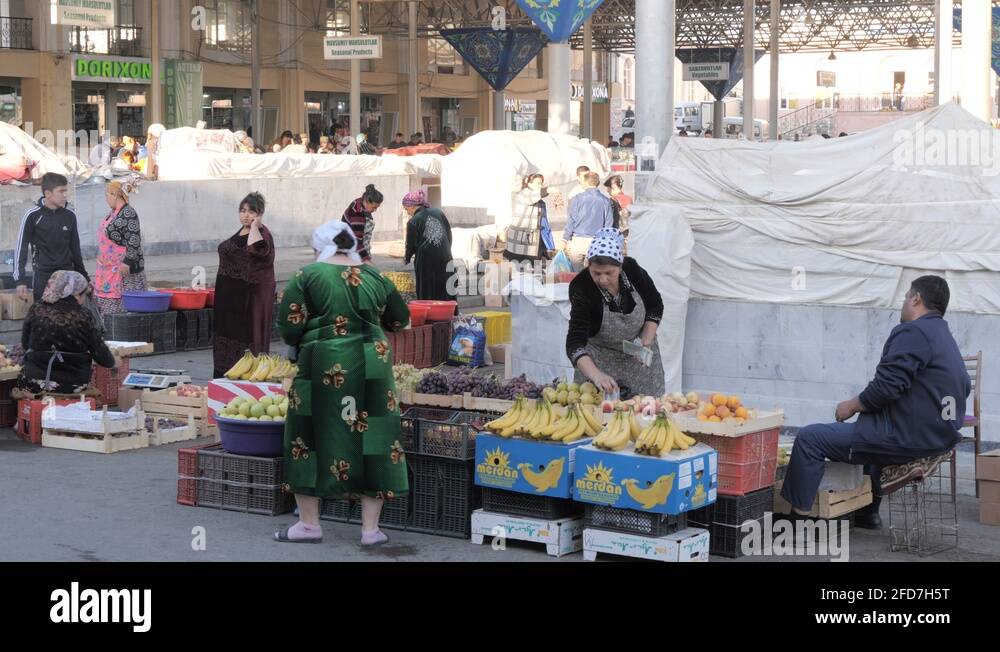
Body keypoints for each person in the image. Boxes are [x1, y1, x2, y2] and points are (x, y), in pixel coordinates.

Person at [779, 276, 970, 530]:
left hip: (907, 439)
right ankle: (868, 514)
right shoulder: (944, 336)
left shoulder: (914, 331)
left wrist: (852, 405)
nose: (903, 302)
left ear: (916, 299)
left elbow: (886, 387)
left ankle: (797, 524)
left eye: (905, 297)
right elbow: (965, 386)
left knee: (810, 438)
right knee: (869, 438)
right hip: (938, 437)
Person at [273, 222, 410, 546]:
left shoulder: (307, 277)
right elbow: (399, 319)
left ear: (321, 248)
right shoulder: (377, 276)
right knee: (375, 436)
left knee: (307, 436)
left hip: (322, 362)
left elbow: (289, 329)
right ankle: (370, 530)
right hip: (371, 363)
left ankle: (309, 525)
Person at [565, 228, 663, 397]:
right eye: (596, 273)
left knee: (645, 414)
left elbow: (655, 305)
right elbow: (574, 343)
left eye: (609, 273)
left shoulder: (632, 270)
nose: (603, 279)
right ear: (588, 267)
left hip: (639, 365)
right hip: (600, 363)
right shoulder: (581, 287)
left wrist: (646, 340)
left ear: (620, 266)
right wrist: (596, 375)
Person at [18, 271, 116, 396]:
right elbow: (101, 355)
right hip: (73, 384)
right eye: (84, 295)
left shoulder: (37, 308)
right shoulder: (83, 315)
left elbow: (25, 344)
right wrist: (113, 361)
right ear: (76, 295)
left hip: (35, 383)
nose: (84, 299)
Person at [212, 192, 276, 379]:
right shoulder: (241, 230)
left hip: (248, 299)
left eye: (251, 211)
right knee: (225, 340)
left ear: (260, 213)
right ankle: (222, 378)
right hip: (229, 298)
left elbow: (257, 250)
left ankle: (244, 379)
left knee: (245, 341)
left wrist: (257, 225)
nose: (245, 215)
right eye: (242, 210)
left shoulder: (262, 234)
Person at [14, 173, 90, 302]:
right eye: (61, 191)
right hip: (43, 276)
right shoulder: (32, 215)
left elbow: (76, 250)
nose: (65, 195)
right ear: (48, 193)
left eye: (66, 191)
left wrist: (85, 278)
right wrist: (20, 280)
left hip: (67, 277)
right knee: (44, 319)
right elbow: (21, 248)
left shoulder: (70, 215)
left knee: (68, 319)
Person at [94, 181, 146, 315]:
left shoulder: (128, 213)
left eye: (107, 195)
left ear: (115, 195)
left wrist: (127, 262)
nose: (106, 198)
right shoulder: (113, 213)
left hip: (122, 270)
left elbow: (134, 240)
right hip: (107, 270)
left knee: (123, 308)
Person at [402, 190, 454, 301]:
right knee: (446, 287)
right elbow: (448, 234)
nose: (407, 212)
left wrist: (406, 258)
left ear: (411, 206)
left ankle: (431, 314)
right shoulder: (438, 212)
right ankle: (449, 313)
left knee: (428, 289)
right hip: (445, 257)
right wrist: (446, 249)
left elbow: (411, 244)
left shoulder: (414, 221)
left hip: (426, 260)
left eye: (406, 209)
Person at [563, 172, 615, 270]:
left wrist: (565, 239)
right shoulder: (606, 201)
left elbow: (571, 220)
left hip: (577, 240)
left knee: (576, 274)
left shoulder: (577, 199)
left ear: (585, 183)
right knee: (592, 274)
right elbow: (608, 225)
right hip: (596, 242)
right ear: (598, 182)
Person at [504, 173, 556, 263]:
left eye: (541, 183)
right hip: (521, 237)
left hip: (533, 236)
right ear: (529, 184)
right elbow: (531, 198)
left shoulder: (537, 197)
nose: (540, 186)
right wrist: (548, 189)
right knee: (520, 264)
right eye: (538, 183)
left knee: (534, 264)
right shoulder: (525, 193)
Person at [342, 184, 383, 263]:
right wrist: (366, 259)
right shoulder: (357, 214)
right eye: (374, 207)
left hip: (357, 246)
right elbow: (357, 241)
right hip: (352, 251)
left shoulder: (359, 202)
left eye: (377, 207)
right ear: (367, 202)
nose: (375, 210)